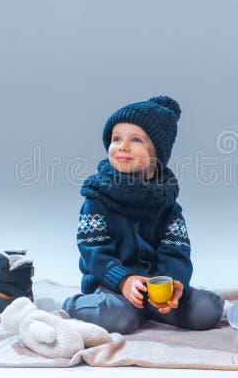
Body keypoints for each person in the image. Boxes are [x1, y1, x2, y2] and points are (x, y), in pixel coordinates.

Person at [62, 95, 224, 334]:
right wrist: (124, 280)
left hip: (155, 288)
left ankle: (152, 309)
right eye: (116, 139)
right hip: (112, 285)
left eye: (135, 139)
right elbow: (93, 252)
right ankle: (74, 304)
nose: (122, 146)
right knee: (122, 318)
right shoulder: (97, 198)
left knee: (207, 310)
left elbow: (176, 250)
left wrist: (175, 282)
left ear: (156, 154)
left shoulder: (168, 206)